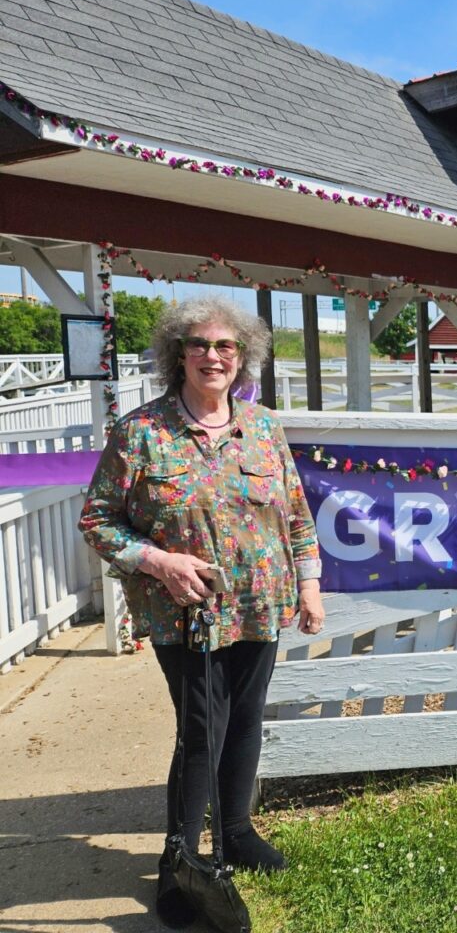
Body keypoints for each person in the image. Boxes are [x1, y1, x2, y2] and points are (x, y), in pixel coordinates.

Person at [80, 295, 325, 925]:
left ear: (243, 357)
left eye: (225, 346)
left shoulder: (263, 427)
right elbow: (98, 519)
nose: (212, 356)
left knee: (244, 719)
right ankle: (181, 863)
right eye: (199, 344)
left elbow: (297, 515)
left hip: (260, 604)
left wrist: (309, 585)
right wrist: (159, 561)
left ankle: (236, 833)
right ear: (178, 354)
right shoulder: (141, 432)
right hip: (183, 612)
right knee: (201, 730)